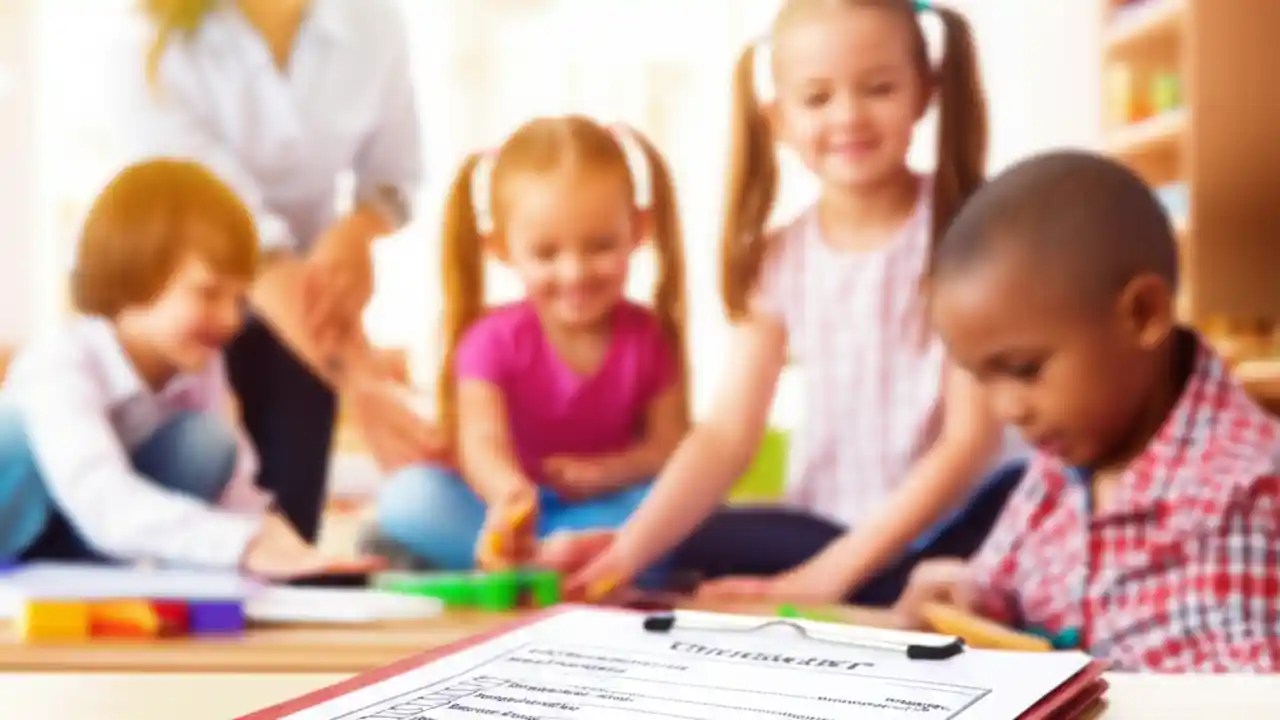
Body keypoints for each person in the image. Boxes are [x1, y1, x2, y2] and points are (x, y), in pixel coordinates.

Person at [543, 0, 1021, 606]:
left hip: (952, 528)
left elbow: (967, 445)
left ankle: (872, 589)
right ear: (779, 118)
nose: (848, 116)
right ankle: (863, 589)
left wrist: (815, 584)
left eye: (877, 88)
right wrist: (628, 550)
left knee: (1018, 494)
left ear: (925, 92)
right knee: (688, 541)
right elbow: (724, 435)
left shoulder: (967, 233)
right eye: (817, 98)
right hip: (824, 528)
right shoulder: (780, 256)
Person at [894, 151, 1280, 672]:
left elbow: (1241, 702)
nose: (1007, 409)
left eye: (1025, 369)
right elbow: (1003, 591)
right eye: (983, 379)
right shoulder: (1059, 462)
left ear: (1143, 315)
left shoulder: (1242, 491)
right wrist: (965, 602)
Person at [126, 0, 441, 541]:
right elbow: (234, 235)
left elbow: (395, 175)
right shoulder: (147, 42)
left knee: (291, 525)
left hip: (304, 304)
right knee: (192, 479)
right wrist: (360, 380)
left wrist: (357, 233)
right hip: (181, 302)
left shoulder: (371, 21)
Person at [0, 159, 375, 578]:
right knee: (12, 435)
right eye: (208, 292)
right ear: (134, 274)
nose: (231, 318)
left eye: (239, 298)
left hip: (89, 543)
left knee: (207, 441)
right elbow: (101, 500)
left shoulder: (199, 365)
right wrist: (243, 546)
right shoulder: (60, 361)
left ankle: (105, 577)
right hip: (37, 523)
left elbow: (238, 493)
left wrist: (294, 553)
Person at [375, 116, 689, 571]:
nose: (574, 273)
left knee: (676, 507)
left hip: (603, 510)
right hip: (503, 513)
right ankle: (547, 561)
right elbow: (480, 441)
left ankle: (545, 564)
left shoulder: (650, 340)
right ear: (501, 248)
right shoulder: (490, 341)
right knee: (409, 497)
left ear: (639, 229)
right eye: (547, 254)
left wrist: (609, 473)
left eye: (600, 246)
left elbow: (668, 448)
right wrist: (509, 496)